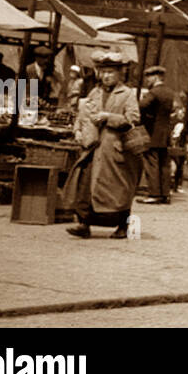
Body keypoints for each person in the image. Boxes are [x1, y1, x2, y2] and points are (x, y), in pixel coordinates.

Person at [64, 53, 142, 239]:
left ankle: (123, 225)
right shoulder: (95, 92)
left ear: (119, 74)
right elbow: (83, 114)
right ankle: (84, 224)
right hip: (93, 148)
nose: (106, 76)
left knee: (118, 190)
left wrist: (108, 117)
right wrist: (78, 130)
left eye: (110, 72)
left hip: (114, 150)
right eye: (103, 72)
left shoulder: (127, 94)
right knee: (86, 185)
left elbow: (133, 119)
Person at [138, 65, 175, 205]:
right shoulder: (169, 92)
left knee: (151, 164)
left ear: (155, 77)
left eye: (148, 77)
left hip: (152, 132)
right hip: (165, 133)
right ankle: (165, 193)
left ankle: (154, 194)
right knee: (164, 164)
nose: (147, 80)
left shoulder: (153, 92)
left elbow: (141, 106)